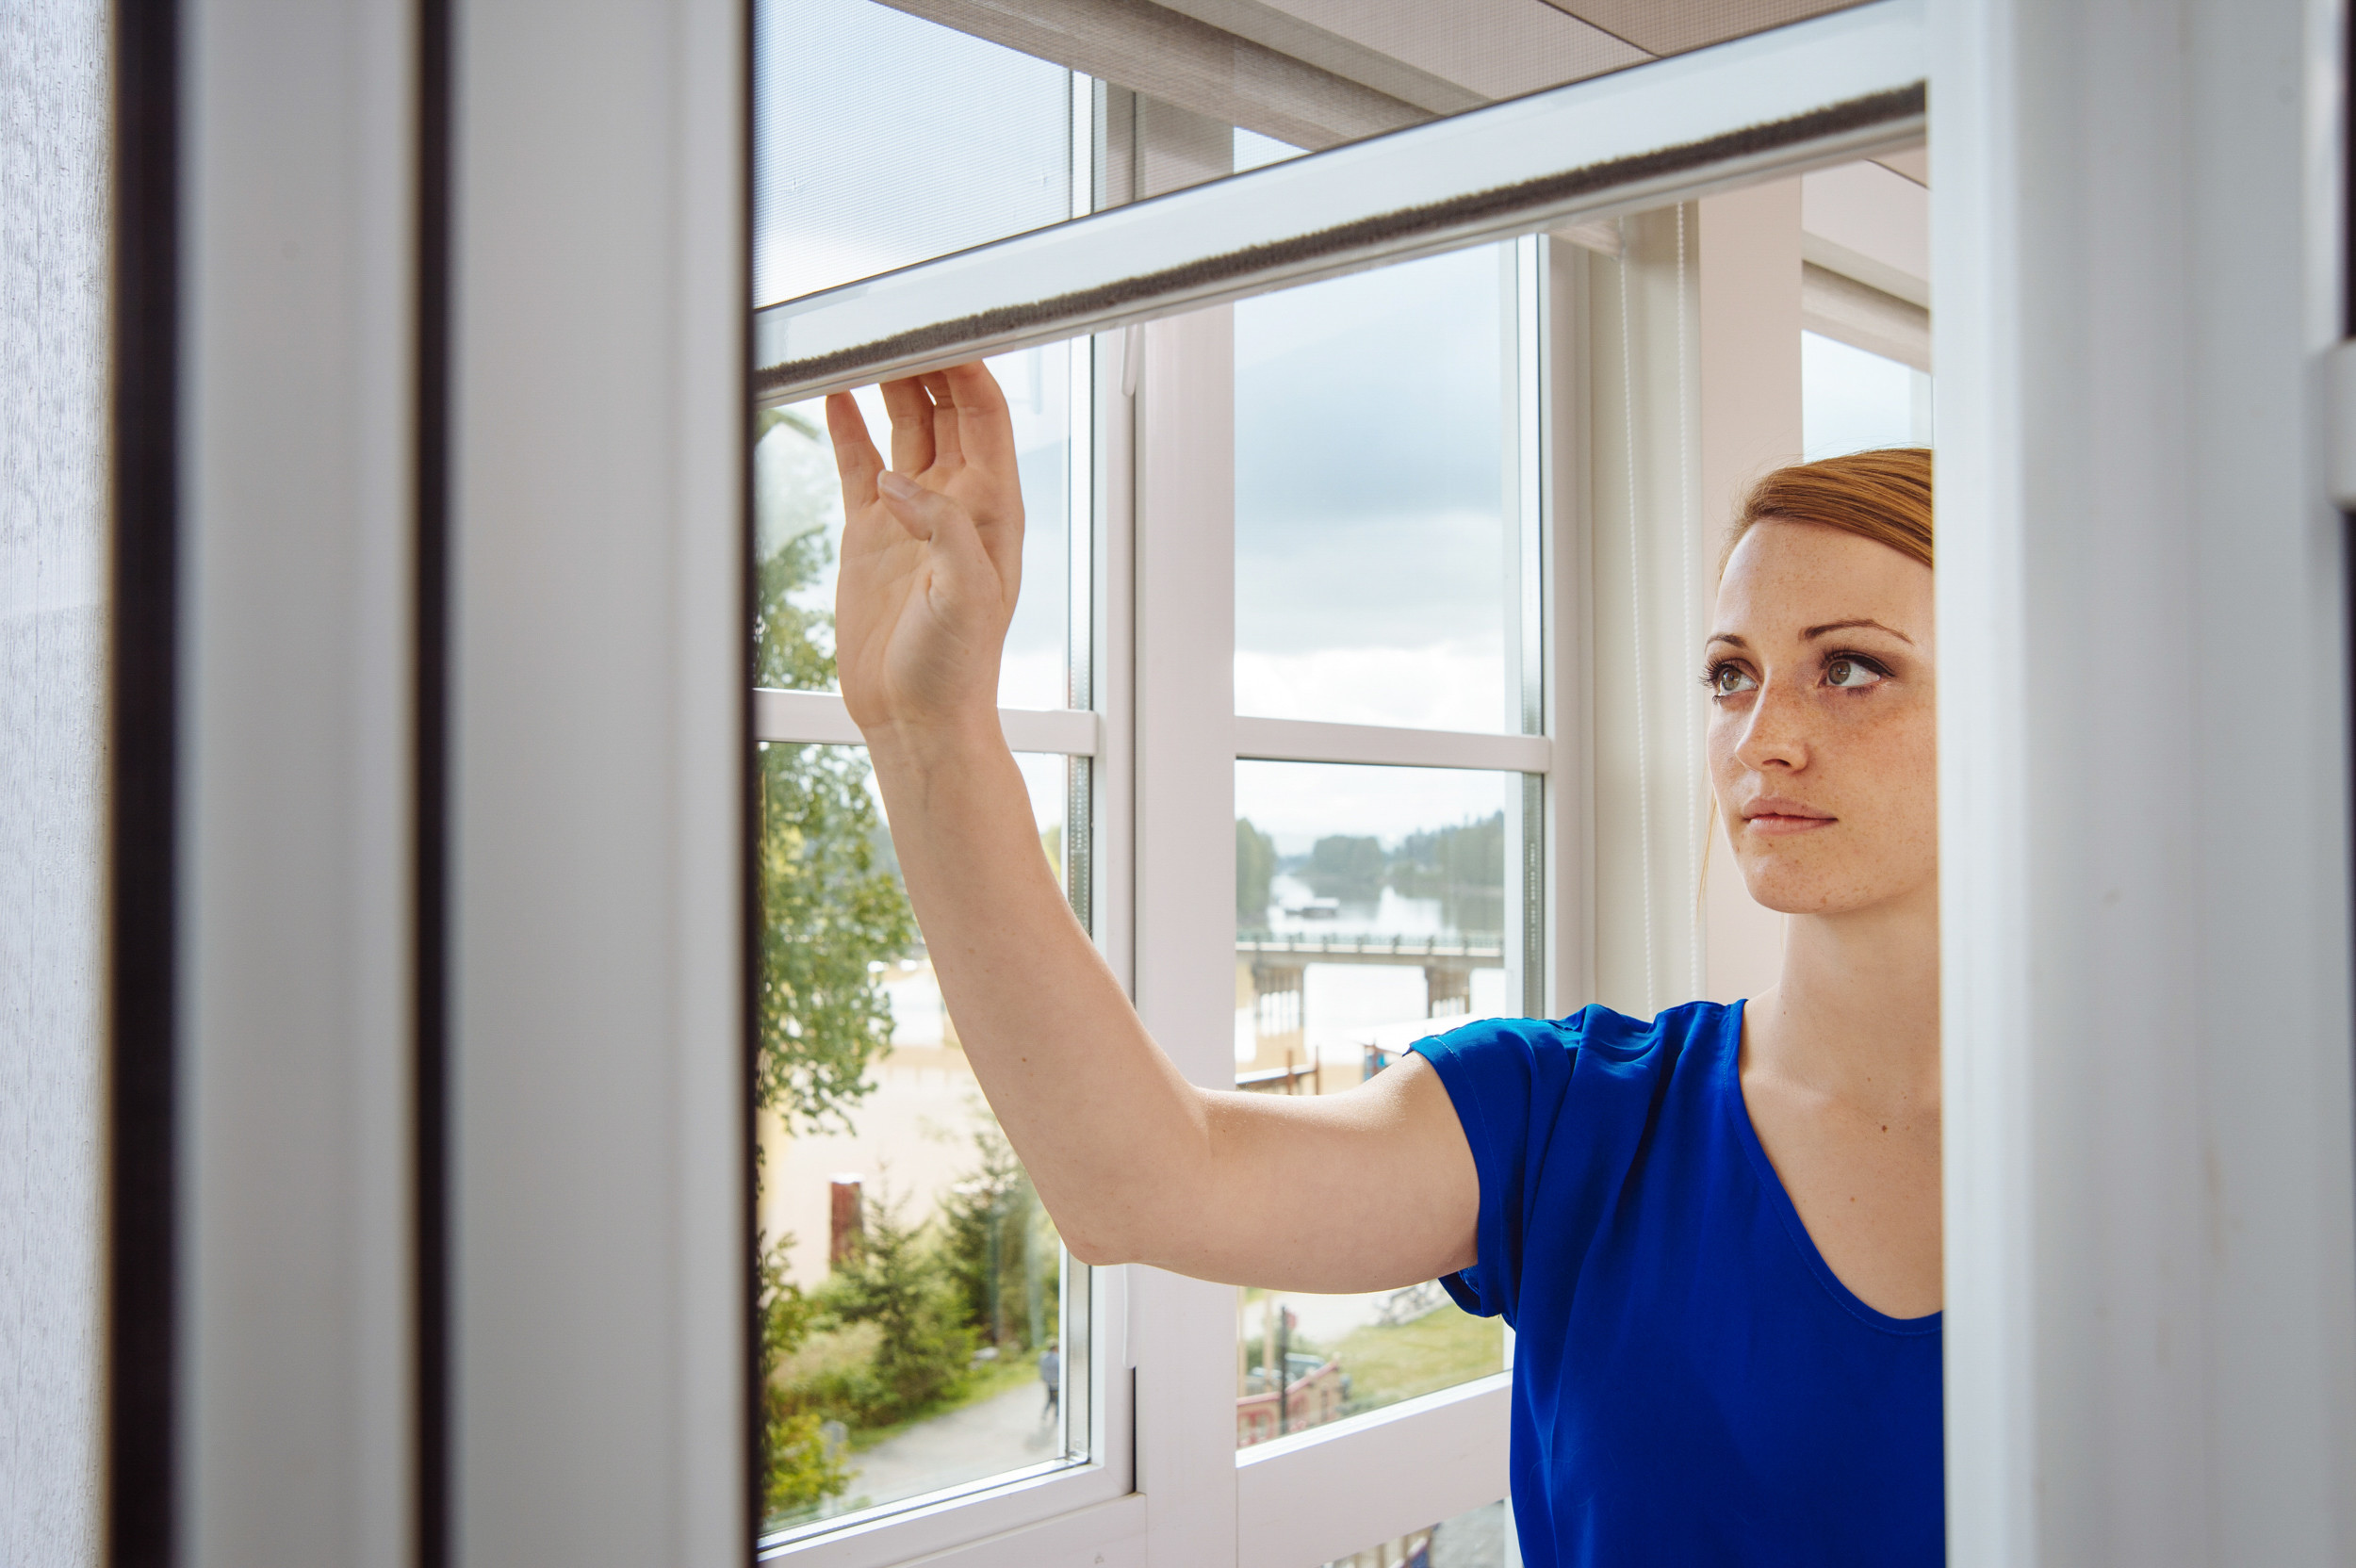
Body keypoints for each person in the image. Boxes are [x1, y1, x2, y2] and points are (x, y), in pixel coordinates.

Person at [824, 362, 1940, 1568]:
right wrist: (924, 730)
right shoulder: (1573, 1117)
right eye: (1731, 674)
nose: (1761, 734)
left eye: (1848, 668)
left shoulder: (2154, 1161)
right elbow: (1140, 1180)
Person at [1039, 1340, 1060, 1421]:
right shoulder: (1056, 1358)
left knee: (1050, 1399)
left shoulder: (1044, 1358)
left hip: (1049, 1381)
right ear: (1054, 1348)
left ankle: (1045, 1413)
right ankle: (1057, 1415)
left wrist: (1044, 1378)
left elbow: (1042, 1369)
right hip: (1056, 1382)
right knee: (1057, 1399)